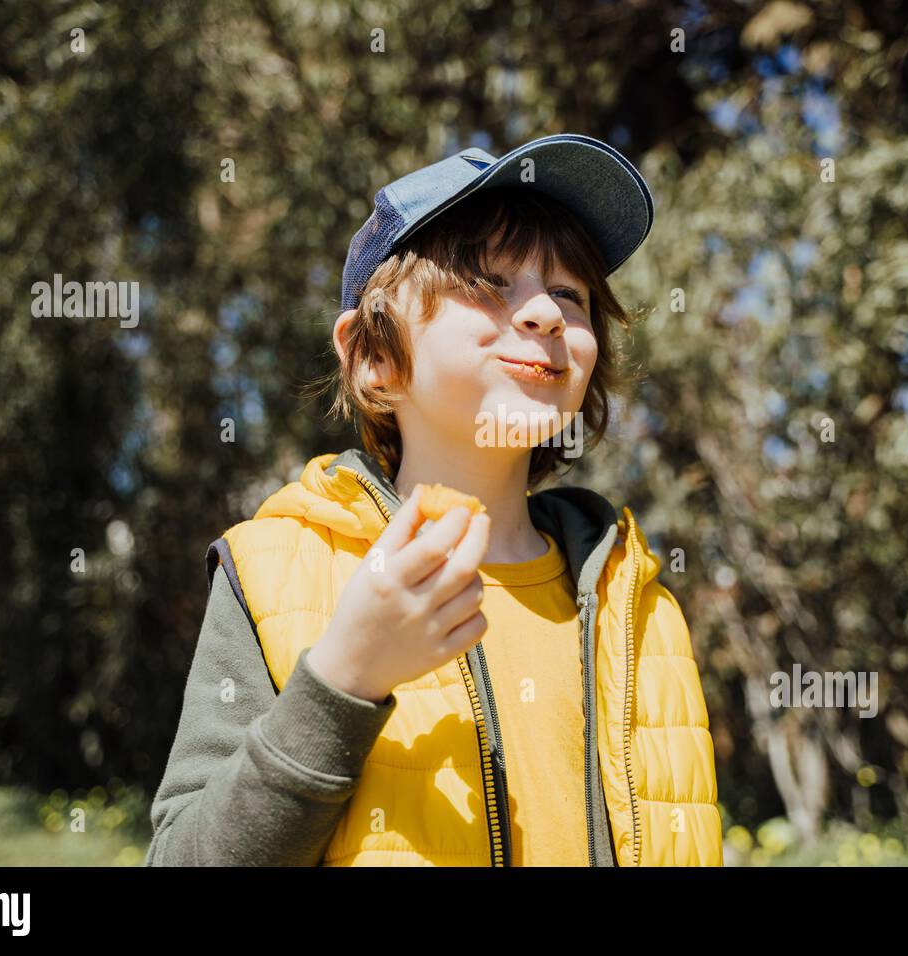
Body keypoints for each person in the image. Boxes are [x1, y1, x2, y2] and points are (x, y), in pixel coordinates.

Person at [146, 133, 722, 866]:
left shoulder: (642, 607)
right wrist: (345, 678)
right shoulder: (271, 572)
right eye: (488, 283)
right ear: (373, 356)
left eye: (570, 294)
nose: (545, 314)